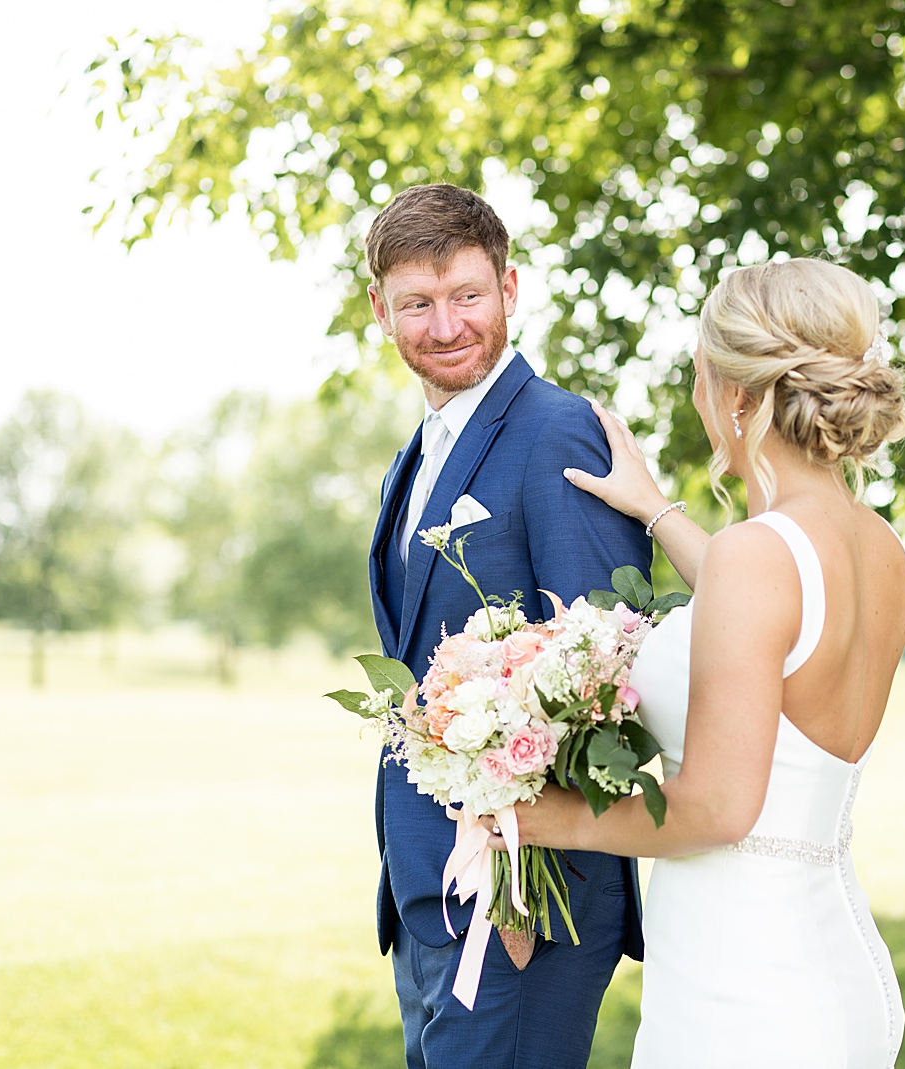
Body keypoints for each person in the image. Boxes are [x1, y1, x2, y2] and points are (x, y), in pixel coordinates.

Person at [494, 257, 905, 1067]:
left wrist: (542, 817)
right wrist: (654, 509)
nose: (696, 397)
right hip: (825, 959)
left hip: (745, 988)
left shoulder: (759, 557)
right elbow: (758, 611)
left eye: (697, 373)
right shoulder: (877, 547)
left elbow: (720, 807)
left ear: (738, 394)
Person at [363, 183, 650, 1069]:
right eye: (417, 302)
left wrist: (524, 893)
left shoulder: (559, 430)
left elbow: (606, 668)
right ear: (381, 310)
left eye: (467, 296)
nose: (445, 325)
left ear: (511, 289)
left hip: (526, 900)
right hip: (430, 884)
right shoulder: (415, 458)